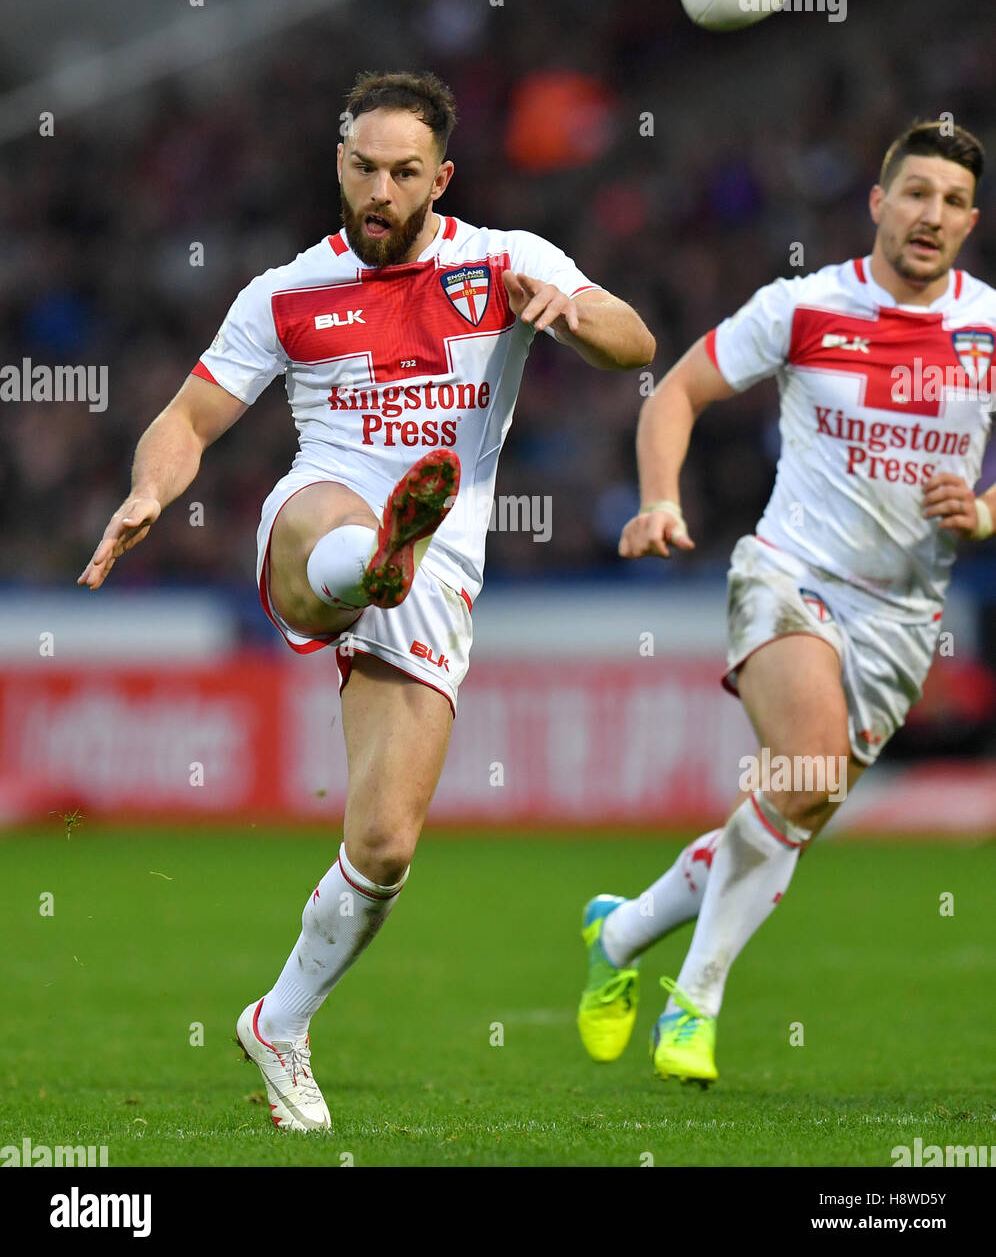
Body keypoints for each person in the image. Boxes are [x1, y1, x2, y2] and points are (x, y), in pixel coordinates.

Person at [78, 70, 655, 1129]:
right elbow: (190, 417)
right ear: (337, 166)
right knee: (333, 516)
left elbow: (636, 342)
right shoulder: (286, 292)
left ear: (441, 175)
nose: (379, 190)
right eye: (361, 168)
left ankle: (279, 1021)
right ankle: (367, 558)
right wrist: (147, 491)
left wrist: (568, 314)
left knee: (384, 847)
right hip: (319, 521)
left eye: (402, 172)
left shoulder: (504, 261)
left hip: (439, 573)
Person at [577, 119, 995, 1085]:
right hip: (789, 577)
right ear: (878, 204)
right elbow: (674, 391)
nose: (931, 214)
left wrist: (979, 512)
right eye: (916, 193)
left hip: (903, 622)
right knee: (804, 771)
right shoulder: (805, 306)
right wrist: (656, 500)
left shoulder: (985, 329)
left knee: (791, 808)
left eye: (953, 201)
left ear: (971, 221)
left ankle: (621, 930)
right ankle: (697, 1001)